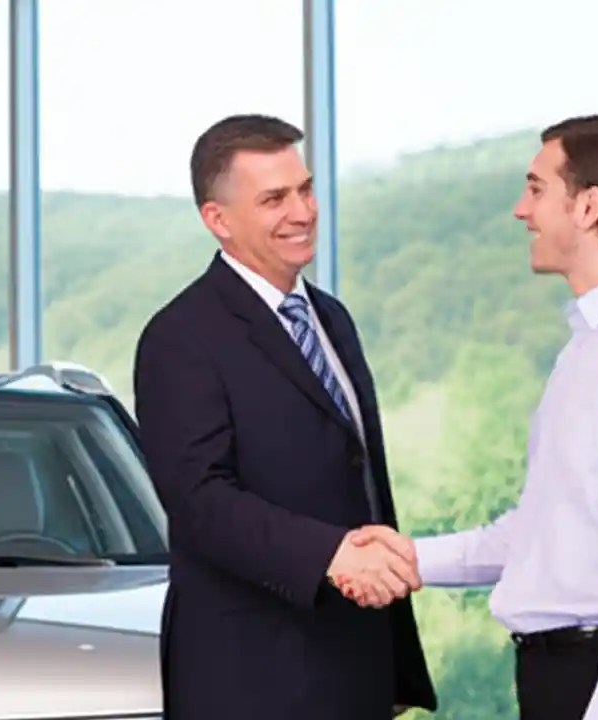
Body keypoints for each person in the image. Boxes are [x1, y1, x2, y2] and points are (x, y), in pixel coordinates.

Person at [357, 114, 598, 719]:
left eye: (536, 188)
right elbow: (546, 530)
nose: (520, 211)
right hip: (561, 675)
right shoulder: (589, 343)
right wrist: (412, 558)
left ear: (588, 207)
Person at [132, 114, 438, 719]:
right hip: (252, 679)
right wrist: (329, 554)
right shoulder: (180, 337)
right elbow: (200, 501)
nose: (301, 212)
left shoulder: (332, 319)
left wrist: (392, 663)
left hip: (352, 668)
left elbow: (362, 483)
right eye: (274, 199)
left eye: (305, 189)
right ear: (217, 220)